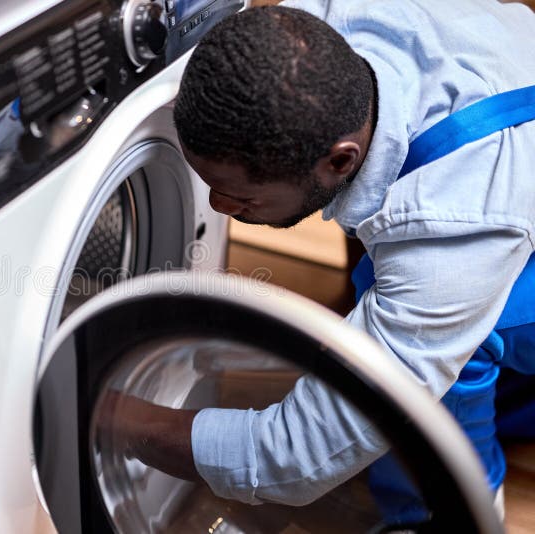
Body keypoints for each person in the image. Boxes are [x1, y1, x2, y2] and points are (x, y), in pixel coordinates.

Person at [105, 0, 535, 525]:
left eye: (242, 198)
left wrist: (112, 418)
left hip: (500, 199)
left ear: (340, 159)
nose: (219, 207)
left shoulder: (452, 234)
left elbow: (288, 460)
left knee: (439, 372)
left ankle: (438, 515)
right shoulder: (323, 23)